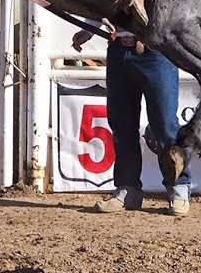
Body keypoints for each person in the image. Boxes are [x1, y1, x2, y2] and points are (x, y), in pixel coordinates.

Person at [73, 26, 191, 217]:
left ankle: (178, 186)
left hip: (156, 47)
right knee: (122, 123)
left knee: (164, 124)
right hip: (119, 48)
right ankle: (128, 189)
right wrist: (89, 29)